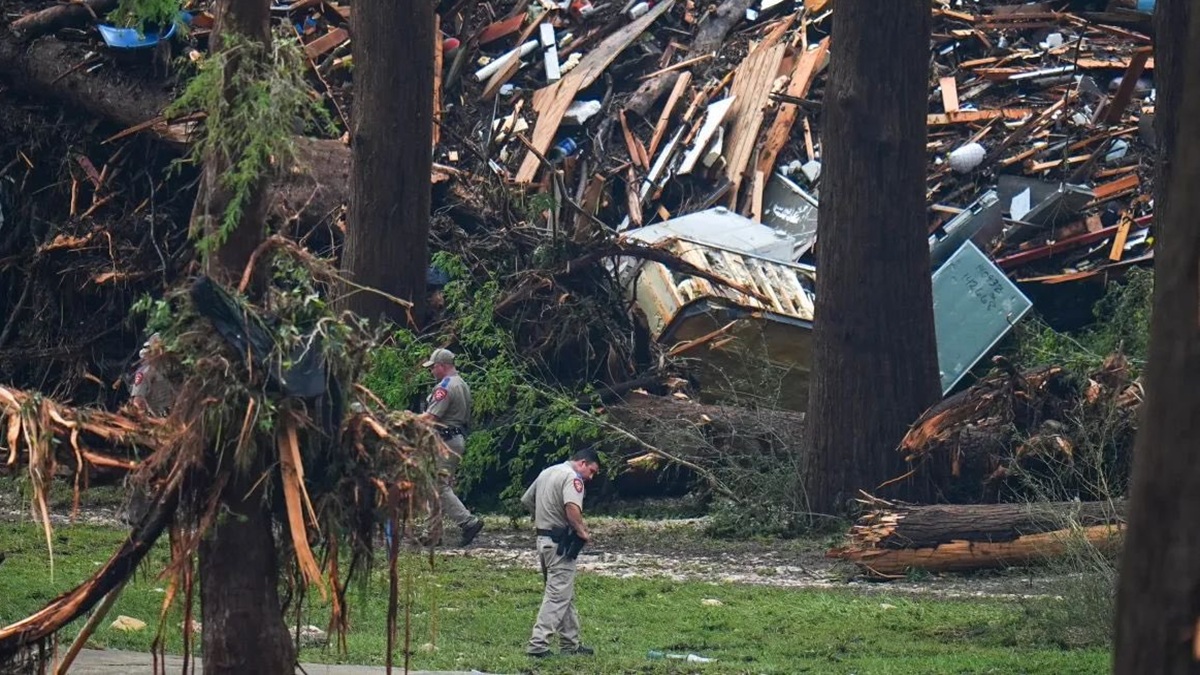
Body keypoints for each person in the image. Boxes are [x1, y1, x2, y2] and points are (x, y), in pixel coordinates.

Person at [521, 447, 602, 658]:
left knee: (563, 592)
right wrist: (582, 531)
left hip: (543, 539)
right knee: (557, 596)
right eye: (591, 471)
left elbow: (527, 500)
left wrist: (542, 517)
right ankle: (538, 644)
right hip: (560, 543)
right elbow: (572, 508)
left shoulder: (547, 472)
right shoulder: (572, 478)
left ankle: (570, 644)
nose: (590, 477)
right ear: (582, 463)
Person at [418, 348, 484, 547]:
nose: (431, 372)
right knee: (435, 486)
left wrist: (406, 419)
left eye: (433, 367)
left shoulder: (445, 387)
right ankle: (432, 532)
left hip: (444, 442)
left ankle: (468, 522)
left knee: (438, 485)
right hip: (454, 439)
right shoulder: (462, 384)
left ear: (442, 366)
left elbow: (430, 418)